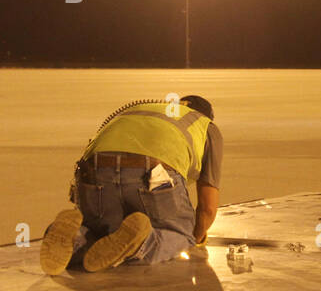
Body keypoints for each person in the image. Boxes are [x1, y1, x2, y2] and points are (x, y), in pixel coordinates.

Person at [40, 95, 223, 274]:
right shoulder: (205, 126)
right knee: (181, 235)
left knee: (105, 232)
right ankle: (141, 245)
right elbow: (207, 209)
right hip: (152, 175)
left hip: (95, 173)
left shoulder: (147, 111)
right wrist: (195, 238)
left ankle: (75, 238)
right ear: (206, 115)